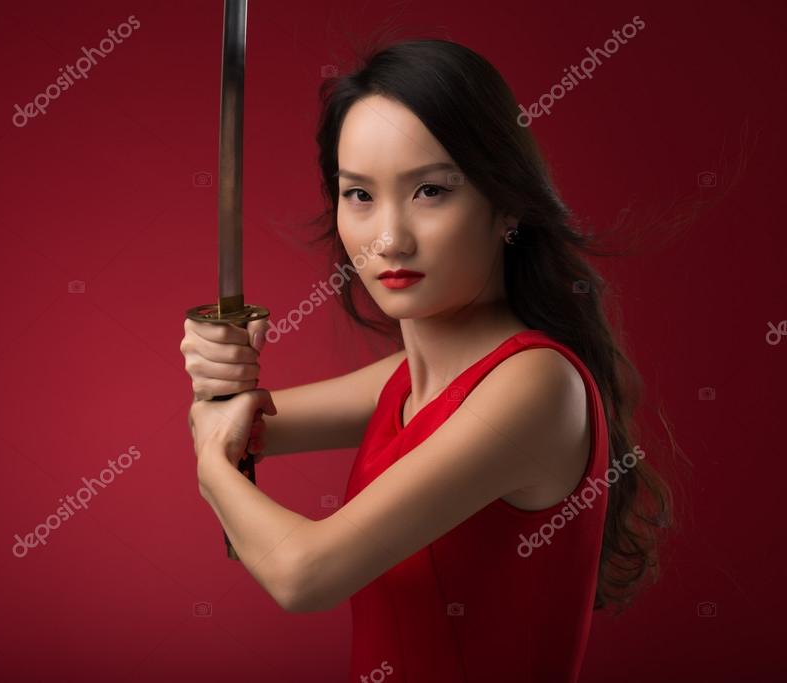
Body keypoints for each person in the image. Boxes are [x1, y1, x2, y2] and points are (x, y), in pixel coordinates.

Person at [181, 38, 672, 682]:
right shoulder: (403, 381)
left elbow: (303, 573)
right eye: (359, 195)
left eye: (431, 190)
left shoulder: (536, 385)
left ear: (507, 204)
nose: (389, 239)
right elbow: (240, 423)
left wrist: (213, 463)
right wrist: (216, 371)